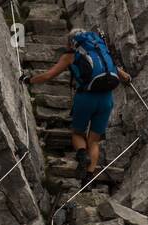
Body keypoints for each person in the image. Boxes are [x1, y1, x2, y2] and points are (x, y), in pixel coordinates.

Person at [22, 30, 130, 182]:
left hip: (85, 98)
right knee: (94, 141)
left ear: (72, 42)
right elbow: (118, 72)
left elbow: (48, 76)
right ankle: (88, 178)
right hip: (106, 99)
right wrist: (124, 75)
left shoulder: (70, 56)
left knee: (78, 133)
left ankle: (81, 154)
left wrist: (29, 80)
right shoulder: (101, 52)